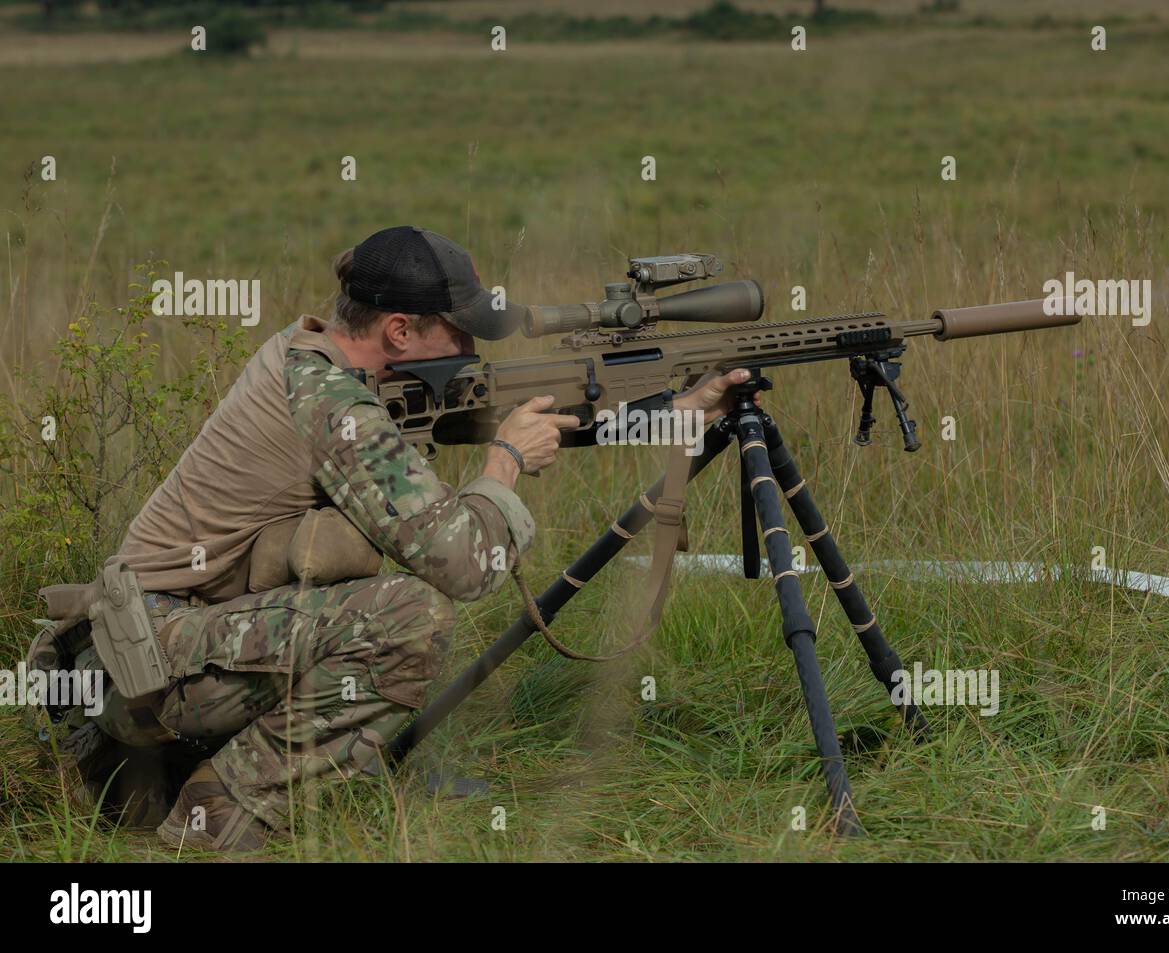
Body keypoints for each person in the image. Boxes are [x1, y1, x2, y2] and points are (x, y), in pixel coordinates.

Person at [29, 225, 748, 851]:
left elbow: (513, 412)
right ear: (401, 331)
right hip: (148, 670)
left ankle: (154, 779)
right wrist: (505, 463)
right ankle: (217, 814)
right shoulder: (336, 406)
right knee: (410, 615)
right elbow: (465, 564)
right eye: (458, 330)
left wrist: (673, 410)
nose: (470, 348)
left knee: (378, 587)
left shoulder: (315, 357)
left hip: (141, 653)